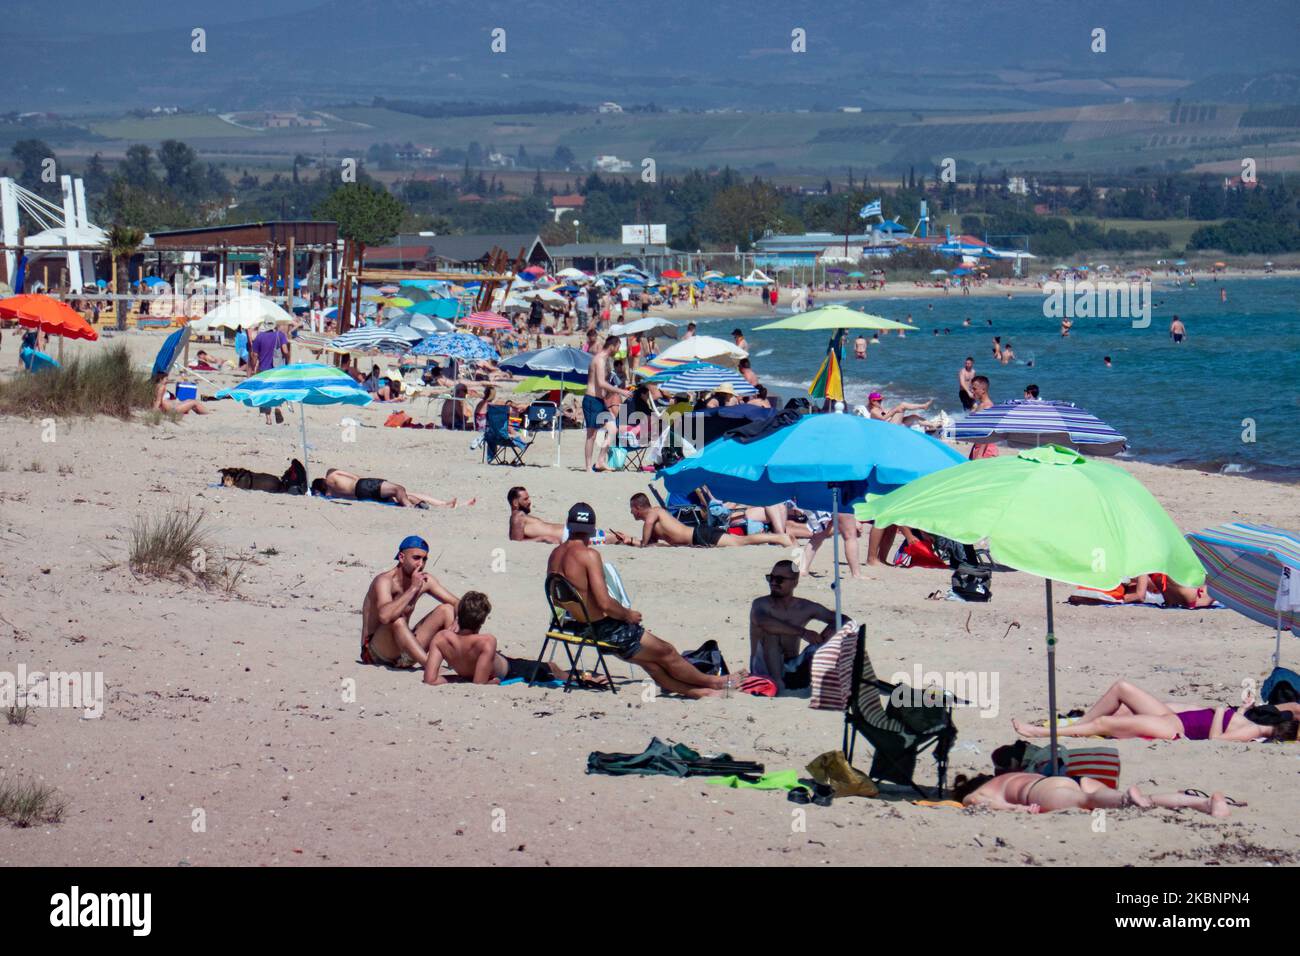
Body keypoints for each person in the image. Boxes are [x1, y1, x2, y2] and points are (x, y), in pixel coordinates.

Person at [546, 503, 746, 698]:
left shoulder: (555, 554)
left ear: (568, 525)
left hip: (576, 626)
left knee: (651, 663)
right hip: (603, 629)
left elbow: (557, 599)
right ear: (591, 530)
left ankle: (701, 692)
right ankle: (715, 682)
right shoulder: (589, 555)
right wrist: (628, 615)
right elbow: (605, 603)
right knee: (666, 651)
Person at [1012, 679, 1299, 743]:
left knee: (1105, 723)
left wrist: (1220, 711)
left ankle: (1040, 732)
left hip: (1174, 729)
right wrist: (1241, 709)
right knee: (1122, 688)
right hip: (1172, 718)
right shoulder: (1253, 722)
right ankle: (1077, 726)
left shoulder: (1256, 730)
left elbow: (1215, 744)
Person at [422, 591, 574, 686]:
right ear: (482, 621)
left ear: (458, 617)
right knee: (552, 668)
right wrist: (491, 682)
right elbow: (479, 682)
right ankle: (580, 678)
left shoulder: (441, 639)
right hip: (511, 670)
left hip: (500, 662)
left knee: (549, 666)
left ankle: (582, 676)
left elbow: (430, 679)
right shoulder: (486, 641)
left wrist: (456, 678)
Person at [359, 535, 459, 668]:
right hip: (376, 653)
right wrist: (413, 588)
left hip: (405, 651)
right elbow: (385, 616)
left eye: (424, 559)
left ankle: (459, 661)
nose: (421, 564)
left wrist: (458, 618)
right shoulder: (384, 581)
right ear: (401, 557)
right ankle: (431, 666)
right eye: (416, 558)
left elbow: (458, 603)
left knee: (447, 609)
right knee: (397, 619)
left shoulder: (424, 580)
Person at [952, 772, 1235, 817]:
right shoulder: (1004, 776)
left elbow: (974, 802)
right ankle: (1205, 802)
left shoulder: (980, 790)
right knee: (1144, 799)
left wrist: (1016, 810)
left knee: (1088, 803)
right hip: (1072, 777)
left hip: (1039, 792)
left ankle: (1126, 800)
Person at [748, 560, 840, 693]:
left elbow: (841, 619)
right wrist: (803, 633)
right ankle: (778, 684)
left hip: (792, 666)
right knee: (770, 634)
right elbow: (764, 622)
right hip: (764, 670)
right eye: (771, 578)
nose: (773, 582)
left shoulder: (804, 607)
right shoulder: (760, 604)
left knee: (824, 641)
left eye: (779, 579)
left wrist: (825, 636)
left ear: (795, 582)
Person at [627, 493, 793, 549]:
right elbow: (652, 545)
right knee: (739, 541)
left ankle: (778, 537)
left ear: (638, 507)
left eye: (632, 508)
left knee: (740, 542)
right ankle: (778, 537)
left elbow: (646, 536)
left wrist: (640, 543)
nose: (631, 512)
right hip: (697, 538)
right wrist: (630, 541)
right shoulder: (655, 521)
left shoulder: (654, 513)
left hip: (700, 534)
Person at [583, 336, 629, 472]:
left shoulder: (605, 360)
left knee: (613, 429)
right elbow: (601, 383)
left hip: (599, 401)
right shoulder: (599, 359)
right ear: (613, 346)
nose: (618, 351)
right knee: (591, 434)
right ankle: (587, 467)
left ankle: (600, 461)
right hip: (591, 400)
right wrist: (621, 391)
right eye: (618, 347)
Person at [311, 468, 464, 508]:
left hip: (361, 496)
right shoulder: (330, 475)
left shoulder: (331, 494)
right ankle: (411, 507)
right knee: (400, 489)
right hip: (363, 485)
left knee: (406, 494)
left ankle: (443, 505)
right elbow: (354, 477)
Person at [967, 375, 997, 459]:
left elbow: (988, 433)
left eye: (974, 389)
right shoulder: (980, 405)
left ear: (983, 390)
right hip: (978, 447)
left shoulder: (988, 407)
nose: (972, 391)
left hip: (985, 451)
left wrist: (980, 454)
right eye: (971, 388)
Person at [867, 391, 935, 427]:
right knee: (902, 405)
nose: (880, 402)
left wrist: (892, 411)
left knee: (914, 417)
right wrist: (895, 410)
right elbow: (883, 418)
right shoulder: (873, 411)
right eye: (878, 401)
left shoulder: (878, 408)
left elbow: (884, 414)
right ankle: (923, 406)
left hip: (891, 424)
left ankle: (933, 425)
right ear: (872, 401)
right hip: (888, 428)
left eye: (881, 400)